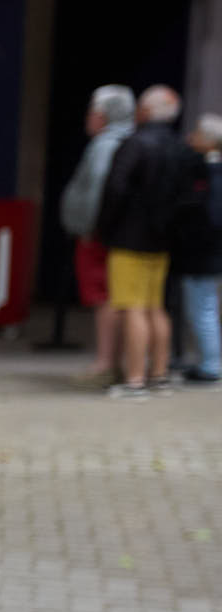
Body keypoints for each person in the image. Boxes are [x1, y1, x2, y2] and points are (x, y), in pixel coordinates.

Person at [95, 85, 187, 398]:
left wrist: (104, 227)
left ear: (144, 111)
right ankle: (158, 375)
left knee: (133, 308)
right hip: (162, 240)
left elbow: (115, 189)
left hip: (130, 239)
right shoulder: (179, 146)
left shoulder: (134, 144)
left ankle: (134, 379)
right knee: (155, 308)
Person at [60, 85, 135, 387]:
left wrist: (90, 225)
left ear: (104, 116)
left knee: (104, 297)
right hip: (114, 233)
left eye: (93, 111)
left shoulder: (105, 145)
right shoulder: (125, 142)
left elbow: (99, 188)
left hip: (98, 235)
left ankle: (106, 362)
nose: (88, 117)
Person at [171, 113, 222, 386]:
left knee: (202, 309)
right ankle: (209, 362)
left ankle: (211, 365)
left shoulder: (210, 173)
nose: (191, 139)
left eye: (198, 135)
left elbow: (212, 217)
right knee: (205, 308)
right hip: (207, 253)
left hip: (204, 254)